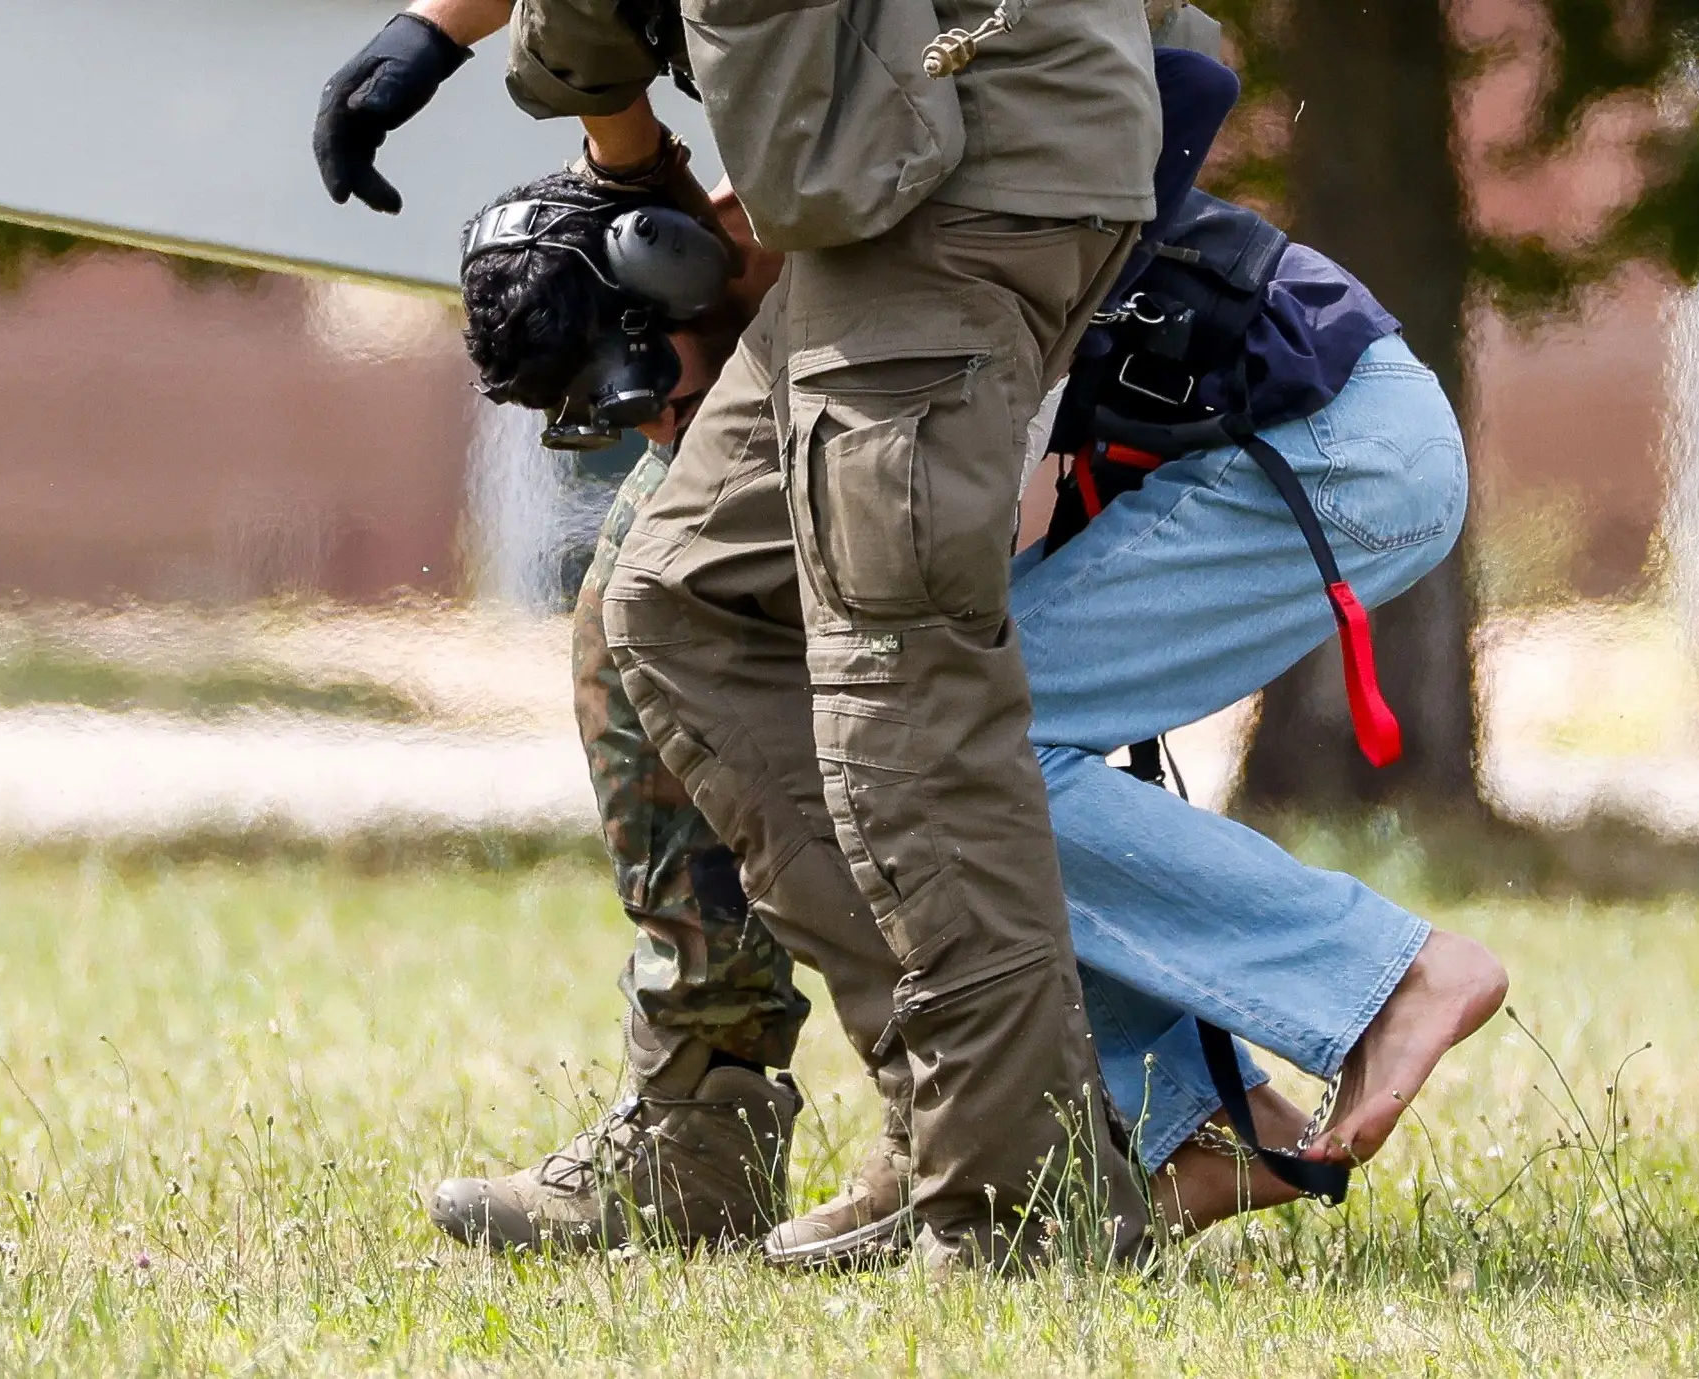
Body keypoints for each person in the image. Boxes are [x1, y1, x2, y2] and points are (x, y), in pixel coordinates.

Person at [318, 0, 1167, 1266]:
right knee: (681, 598)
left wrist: (538, 103)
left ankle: (1020, 1204)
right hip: (931, 165)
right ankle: (871, 1124)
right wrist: (556, 115)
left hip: (965, 176)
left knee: (903, 704)